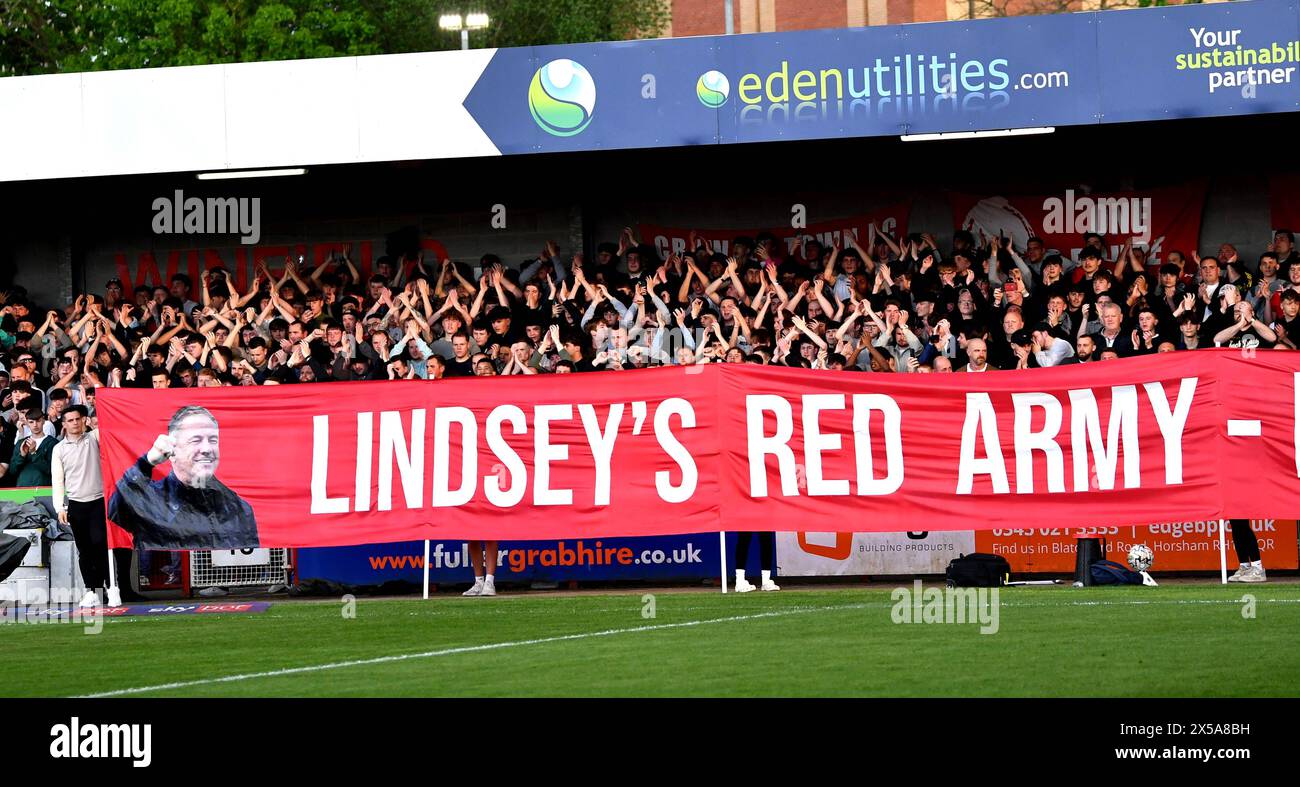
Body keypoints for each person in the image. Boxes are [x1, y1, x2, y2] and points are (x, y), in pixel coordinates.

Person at [107, 405, 259, 549]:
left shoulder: (239, 508)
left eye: (213, 440)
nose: (207, 449)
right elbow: (115, 512)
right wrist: (146, 463)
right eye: (196, 440)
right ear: (173, 451)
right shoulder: (149, 498)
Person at [50, 405, 114, 608]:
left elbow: (110, 417)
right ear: (64, 424)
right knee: (84, 550)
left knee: (100, 545)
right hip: (76, 505)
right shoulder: (59, 449)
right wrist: (60, 507)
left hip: (99, 501)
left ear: (84, 420)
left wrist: (110, 383)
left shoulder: (94, 438)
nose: (75, 423)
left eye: (78, 419)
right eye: (70, 420)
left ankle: (112, 588)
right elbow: (58, 481)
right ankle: (93, 591)